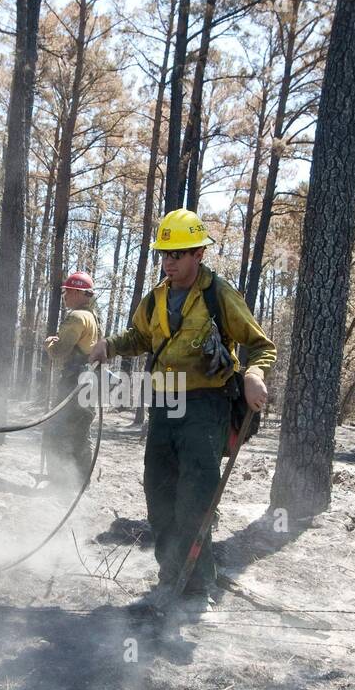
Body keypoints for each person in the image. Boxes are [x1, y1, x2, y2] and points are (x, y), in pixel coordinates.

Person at [89, 209, 275, 601]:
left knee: (196, 499)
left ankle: (198, 584)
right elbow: (138, 337)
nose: (168, 262)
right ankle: (170, 575)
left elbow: (260, 345)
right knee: (159, 496)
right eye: (165, 254)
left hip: (206, 405)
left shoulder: (219, 294)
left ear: (199, 255)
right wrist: (110, 345)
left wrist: (254, 376)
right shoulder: (155, 298)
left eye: (178, 254)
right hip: (165, 402)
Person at [43, 271, 102, 489]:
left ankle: (60, 483)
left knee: (57, 430)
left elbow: (59, 350)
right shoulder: (93, 318)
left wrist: (49, 344)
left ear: (78, 292)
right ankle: (79, 483)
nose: (65, 296)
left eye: (68, 291)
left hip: (74, 383)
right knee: (79, 432)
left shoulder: (77, 317)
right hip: (87, 382)